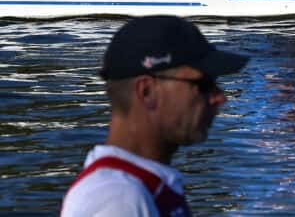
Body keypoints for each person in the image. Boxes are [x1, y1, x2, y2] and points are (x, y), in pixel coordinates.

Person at [62, 16, 248, 217]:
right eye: (203, 85)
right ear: (147, 92)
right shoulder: (118, 198)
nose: (219, 97)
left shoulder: (140, 186)